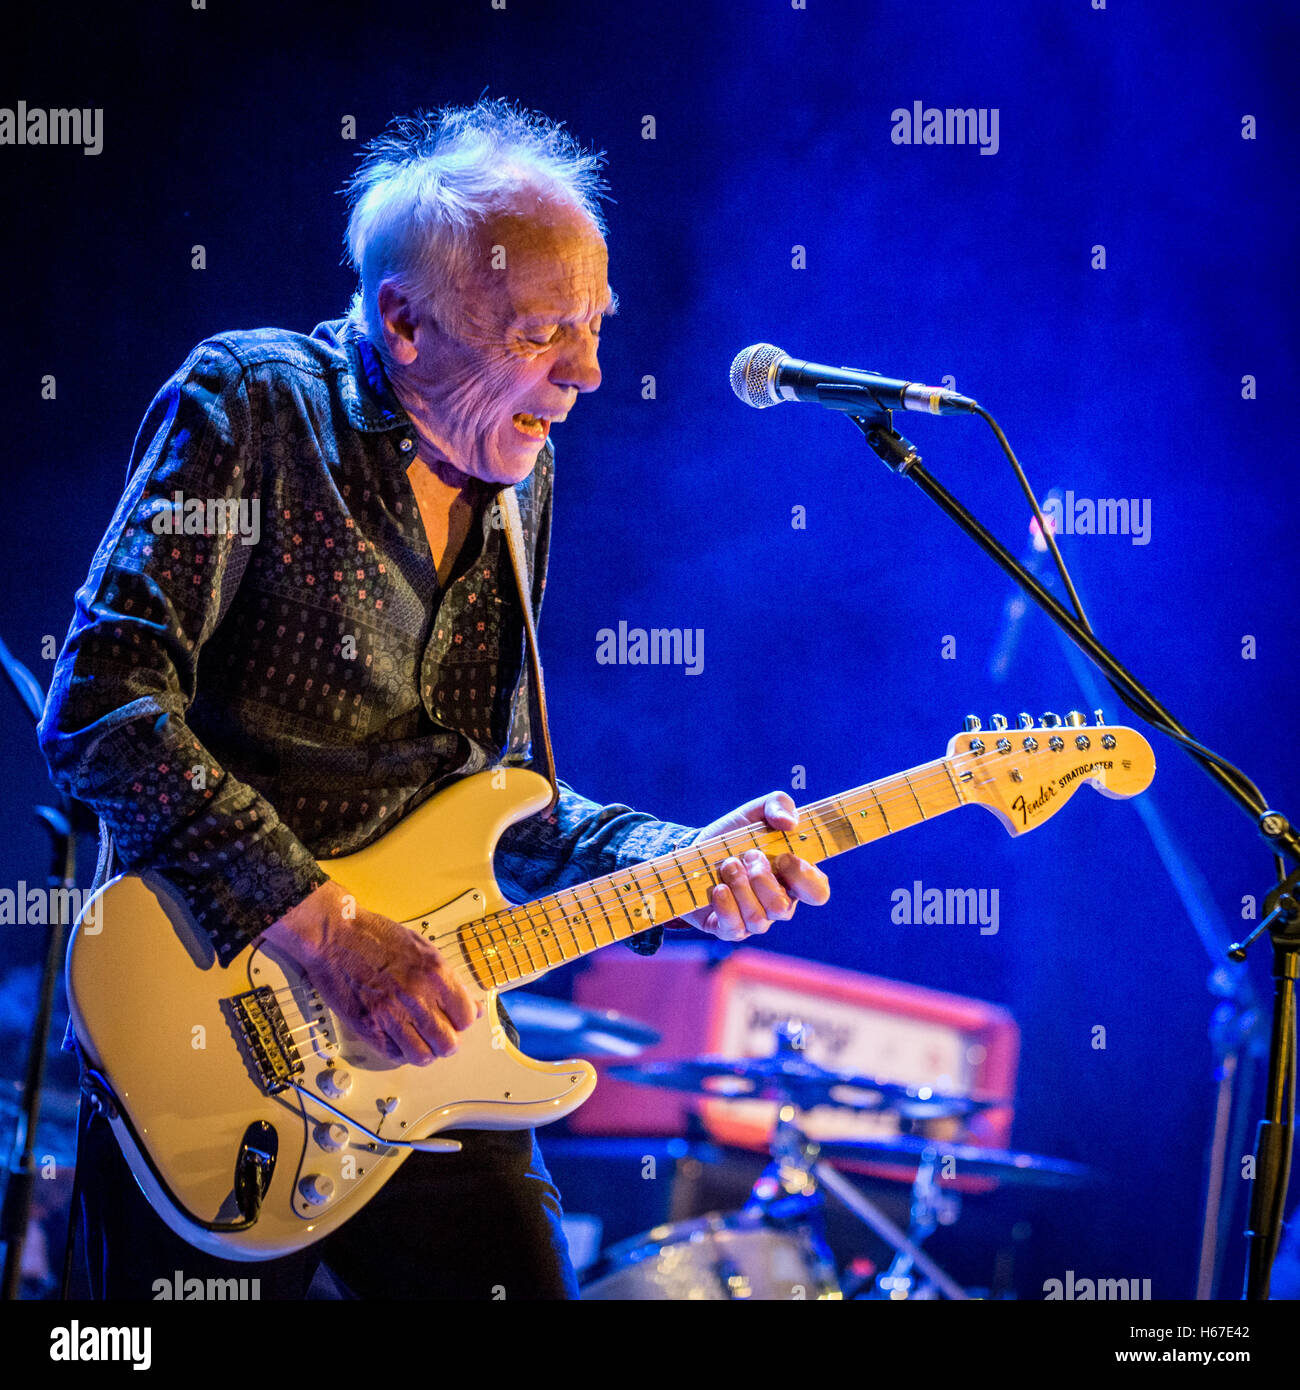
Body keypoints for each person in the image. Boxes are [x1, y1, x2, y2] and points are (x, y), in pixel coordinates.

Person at [37, 98, 831, 1300]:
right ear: (403, 321)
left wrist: (684, 860)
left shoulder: (520, 475)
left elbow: (490, 790)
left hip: (423, 1055)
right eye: (540, 333)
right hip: (205, 1033)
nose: (589, 372)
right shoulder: (255, 404)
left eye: (594, 326)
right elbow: (101, 703)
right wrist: (330, 932)